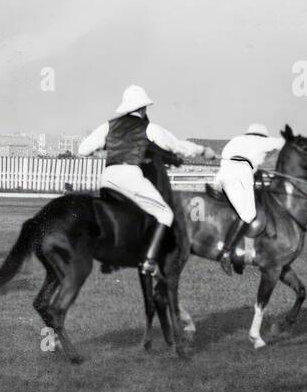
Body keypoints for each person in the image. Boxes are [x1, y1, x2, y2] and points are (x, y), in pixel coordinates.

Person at [76, 84, 215, 277]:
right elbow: (176, 146)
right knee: (165, 214)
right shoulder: (148, 127)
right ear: (142, 108)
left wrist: (107, 145)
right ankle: (149, 261)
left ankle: (115, 253)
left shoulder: (108, 126)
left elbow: (82, 150)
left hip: (107, 178)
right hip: (130, 176)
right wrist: (202, 151)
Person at [213, 122, 285, 274]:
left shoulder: (236, 140)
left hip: (222, 174)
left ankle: (240, 249)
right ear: (262, 135)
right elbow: (285, 142)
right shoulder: (263, 142)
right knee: (248, 214)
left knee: (234, 210)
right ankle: (226, 253)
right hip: (240, 174)